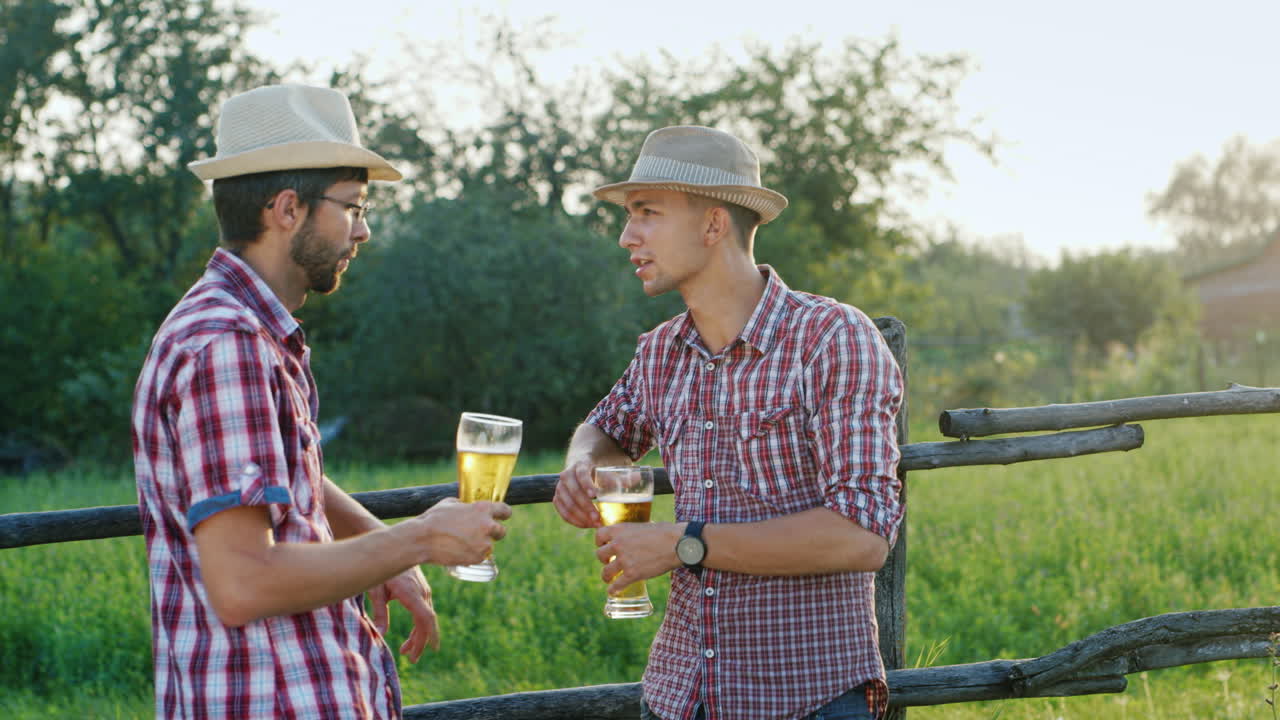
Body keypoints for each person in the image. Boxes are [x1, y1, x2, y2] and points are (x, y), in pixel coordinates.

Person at [131, 84, 512, 719]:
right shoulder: (228, 345)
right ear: (286, 209)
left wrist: (372, 540)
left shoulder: (245, 330)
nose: (362, 230)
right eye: (353, 206)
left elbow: (282, 471)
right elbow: (244, 582)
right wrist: (417, 540)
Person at [552, 125, 904, 720]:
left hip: (807, 701)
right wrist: (581, 463)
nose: (626, 235)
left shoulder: (833, 339)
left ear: (713, 226)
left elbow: (862, 534)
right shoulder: (661, 351)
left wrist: (685, 544)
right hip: (679, 697)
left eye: (647, 213)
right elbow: (606, 426)